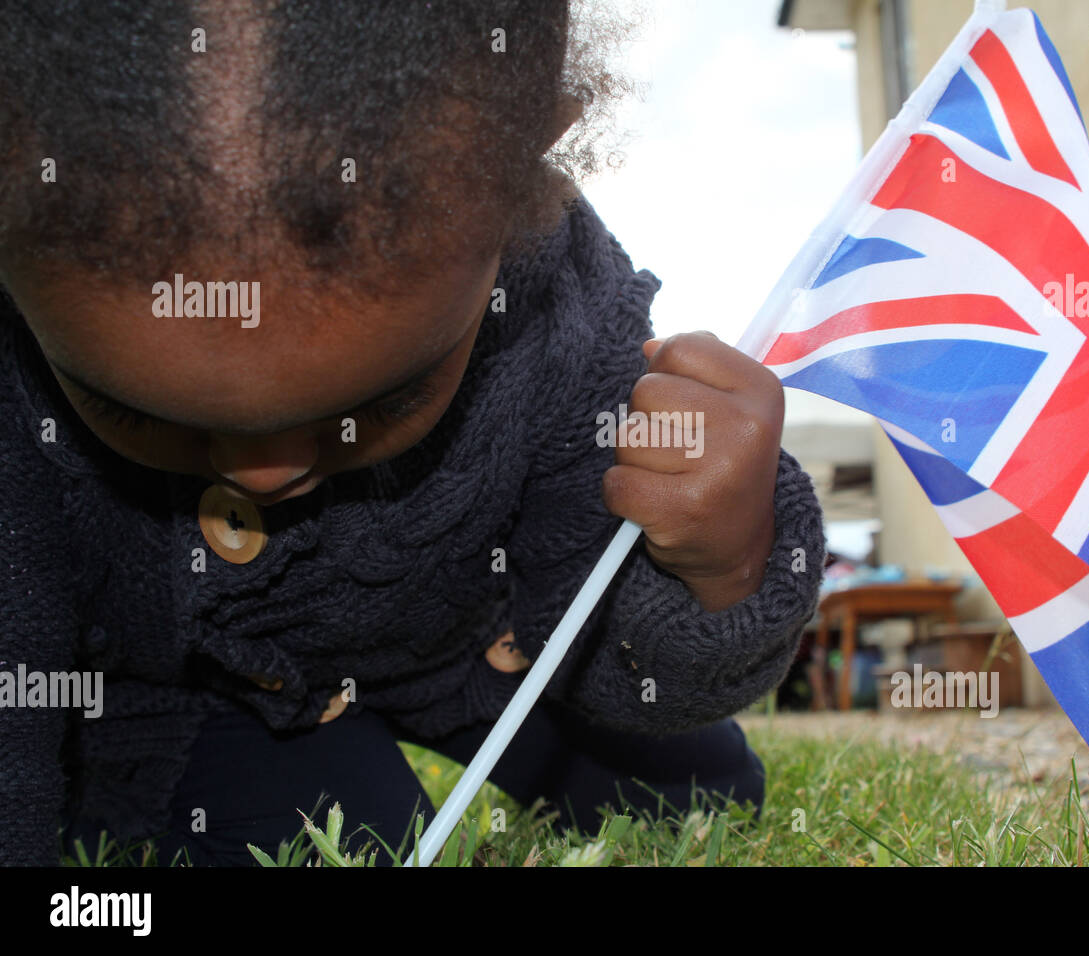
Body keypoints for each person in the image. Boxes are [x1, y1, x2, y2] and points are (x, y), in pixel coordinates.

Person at [0, 0, 825, 866]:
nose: (267, 476)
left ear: (520, 185)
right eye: (137, 410)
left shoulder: (560, 303)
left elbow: (608, 615)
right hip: (196, 693)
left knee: (697, 798)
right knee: (349, 842)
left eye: (383, 401)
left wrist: (721, 566)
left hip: (471, 649)